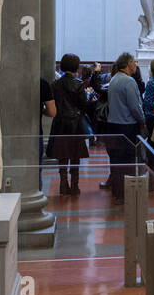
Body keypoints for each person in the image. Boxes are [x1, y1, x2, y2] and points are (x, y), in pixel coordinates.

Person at [98, 53, 145, 202]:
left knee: (116, 160)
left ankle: (117, 191)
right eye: (134, 62)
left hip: (113, 125)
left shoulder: (114, 79)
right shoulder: (129, 81)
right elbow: (134, 107)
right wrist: (142, 120)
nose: (136, 65)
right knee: (128, 161)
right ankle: (126, 194)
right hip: (127, 126)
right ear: (128, 64)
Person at [47, 53, 90, 196]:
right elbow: (84, 104)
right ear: (76, 66)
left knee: (62, 155)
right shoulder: (78, 84)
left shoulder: (55, 84)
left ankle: (63, 184)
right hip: (75, 123)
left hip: (60, 122)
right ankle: (75, 186)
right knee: (75, 155)